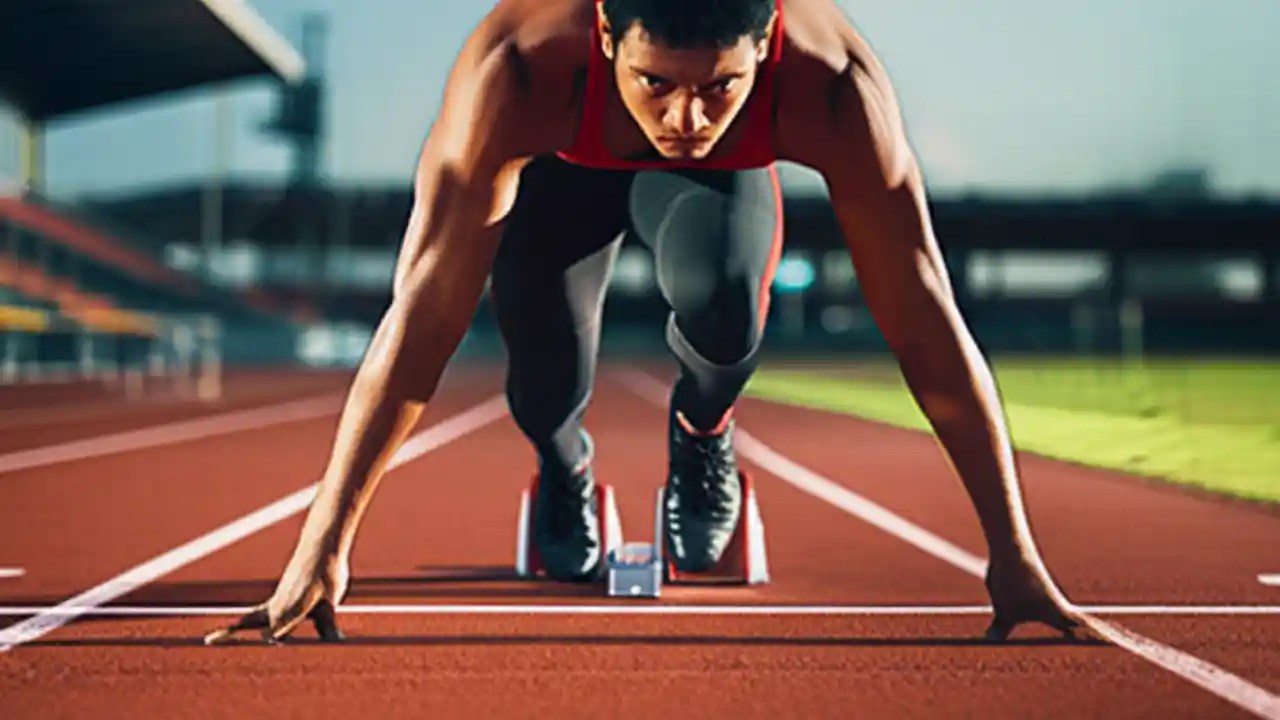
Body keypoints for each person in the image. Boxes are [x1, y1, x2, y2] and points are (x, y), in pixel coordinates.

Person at [205, 0, 1084, 645]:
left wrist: (1013, 550)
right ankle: (563, 466)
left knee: (728, 301)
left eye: (722, 88)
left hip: (717, 194)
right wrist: (324, 546)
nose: (686, 119)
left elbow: (925, 321)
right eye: (655, 84)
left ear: (769, 41)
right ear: (602, 33)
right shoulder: (514, 73)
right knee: (545, 382)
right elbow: (423, 321)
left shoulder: (834, 87)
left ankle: (703, 434)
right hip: (555, 176)